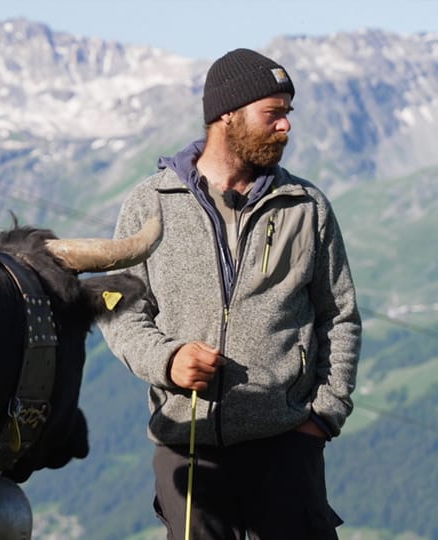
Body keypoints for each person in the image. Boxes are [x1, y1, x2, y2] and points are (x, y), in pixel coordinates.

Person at [99, 48, 362, 539]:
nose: (286, 127)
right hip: (186, 446)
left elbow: (340, 316)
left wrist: (324, 416)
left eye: (287, 115)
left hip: (288, 445)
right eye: (274, 114)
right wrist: (168, 360)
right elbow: (119, 310)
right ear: (227, 115)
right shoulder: (149, 203)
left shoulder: (307, 207)